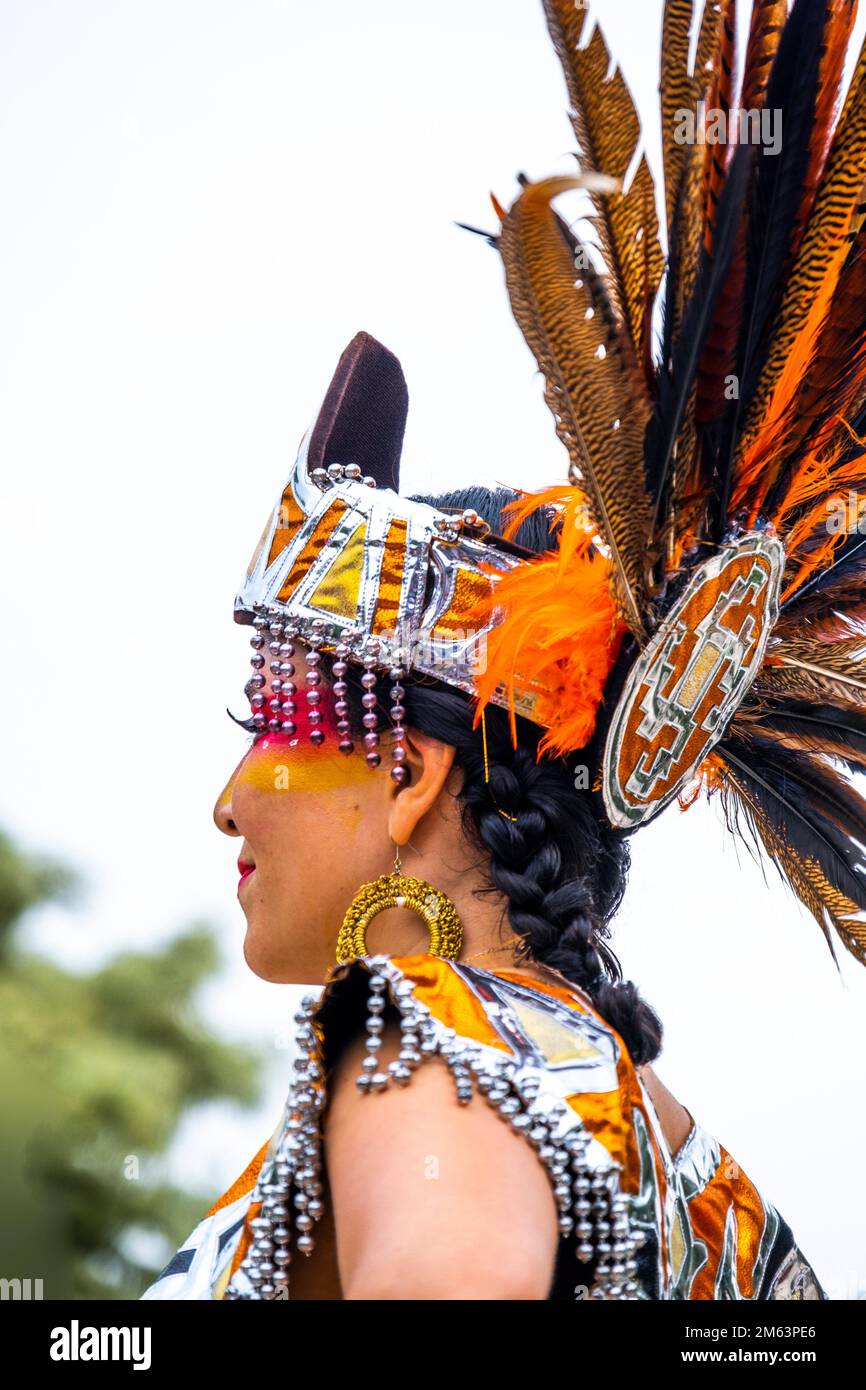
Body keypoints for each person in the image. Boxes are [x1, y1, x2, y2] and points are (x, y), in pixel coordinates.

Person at [141, 0, 866, 1300]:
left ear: (412, 773)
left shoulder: (419, 1039)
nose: (228, 795)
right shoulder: (706, 1191)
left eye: (272, 717)